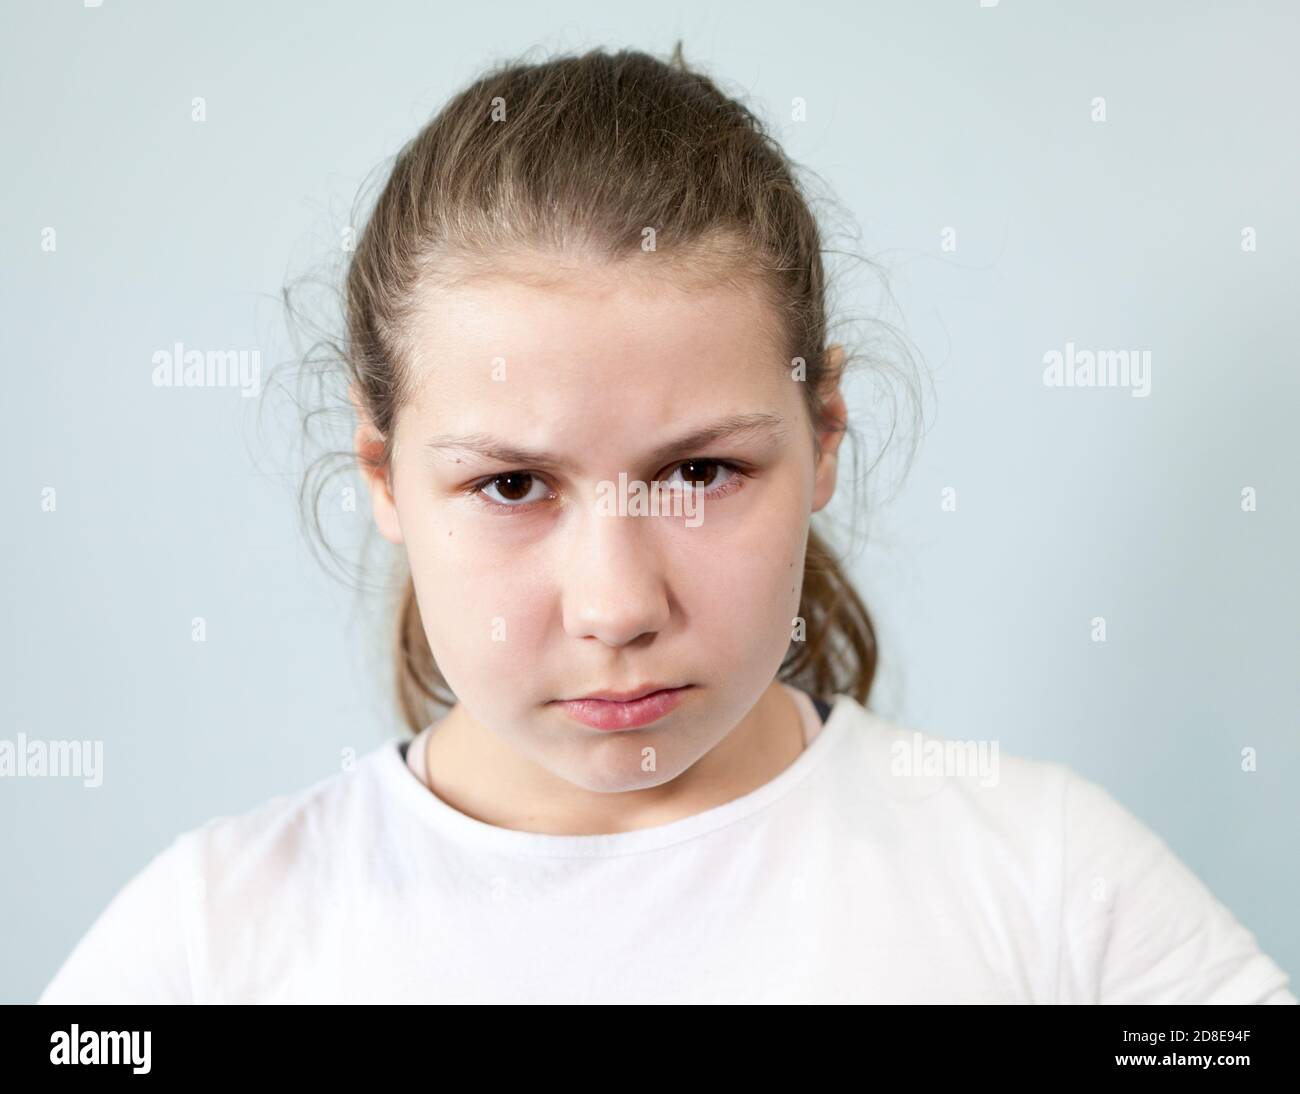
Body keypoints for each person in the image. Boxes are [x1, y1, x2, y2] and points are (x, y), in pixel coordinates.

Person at [38, 45, 1296, 1005]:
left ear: (823, 440)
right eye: (513, 487)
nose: (616, 605)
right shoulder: (203, 951)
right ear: (382, 473)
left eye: (698, 471)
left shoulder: (1054, 891)